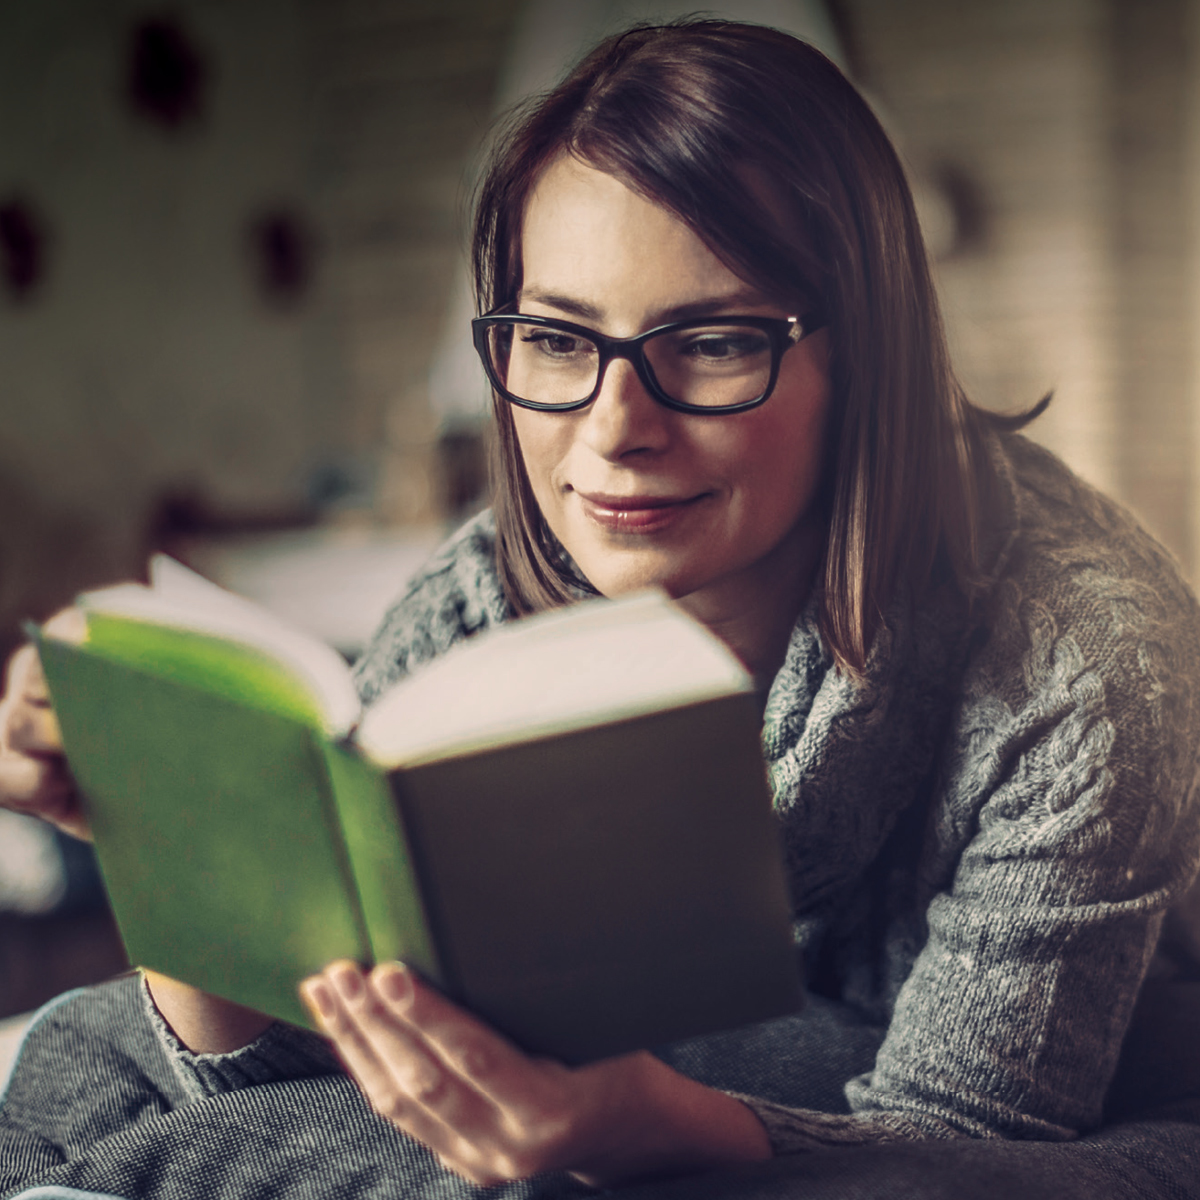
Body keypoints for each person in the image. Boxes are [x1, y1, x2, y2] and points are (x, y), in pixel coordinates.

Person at [3, 19, 1200, 1200]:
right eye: (555, 338)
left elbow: (960, 1148)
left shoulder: (1090, 664)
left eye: (714, 343)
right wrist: (183, 857)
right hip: (649, 1068)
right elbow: (293, 1067)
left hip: (1035, 1109)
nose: (615, 429)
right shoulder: (479, 601)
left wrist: (635, 1131)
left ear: (868, 356)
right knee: (91, 1038)